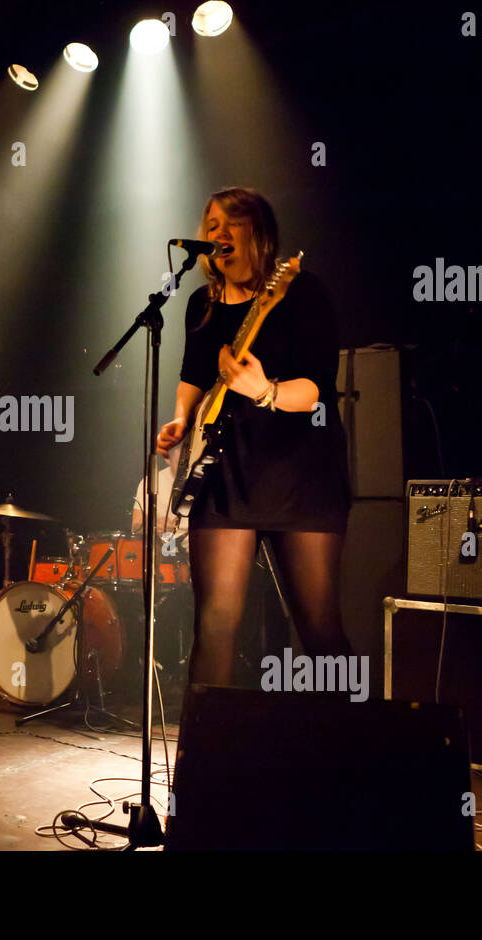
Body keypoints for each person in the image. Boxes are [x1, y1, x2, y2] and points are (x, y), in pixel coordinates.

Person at [155, 187, 351, 689]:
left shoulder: (299, 292)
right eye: (211, 224)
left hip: (300, 470)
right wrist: (180, 419)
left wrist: (264, 391)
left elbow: (317, 391)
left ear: (259, 233)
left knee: (320, 628)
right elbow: (193, 375)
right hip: (224, 471)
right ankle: (201, 761)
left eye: (232, 223)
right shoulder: (202, 302)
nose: (218, 233)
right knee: (215, 624)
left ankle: (354, 754)